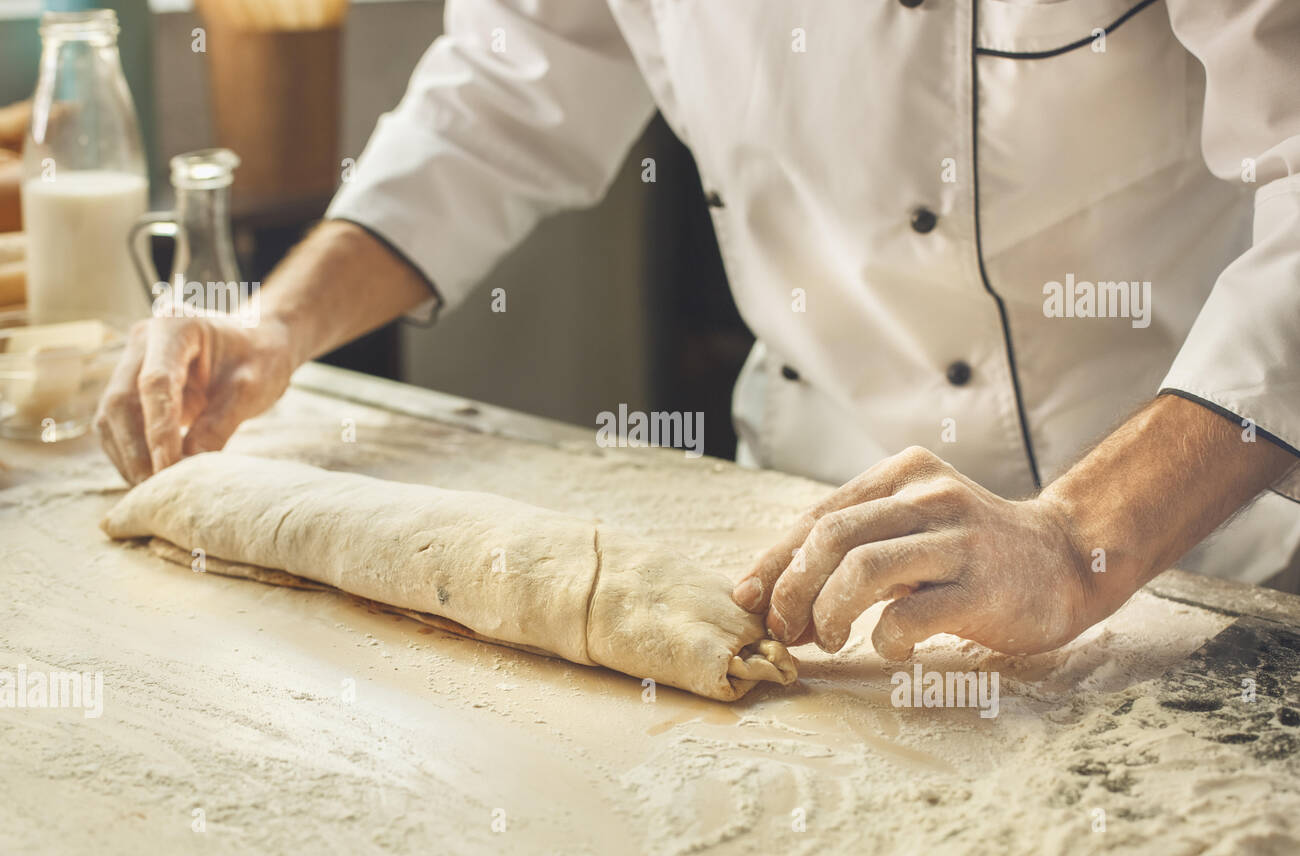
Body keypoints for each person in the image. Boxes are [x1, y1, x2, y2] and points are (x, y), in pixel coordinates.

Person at [95, 0, 1300, 661]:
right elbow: (505, 85)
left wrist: (1075, 537)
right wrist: (276, 321)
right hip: (807, 530)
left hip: (1189, 541)